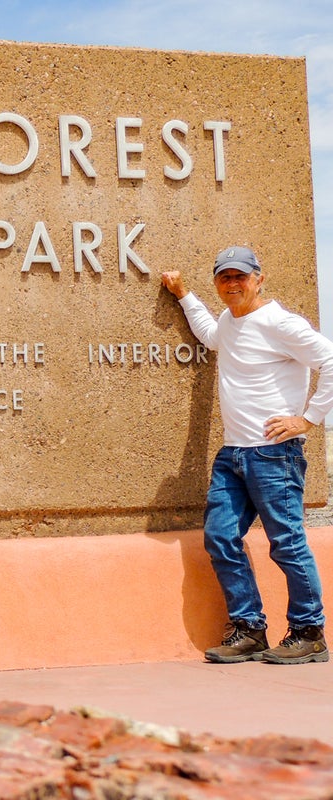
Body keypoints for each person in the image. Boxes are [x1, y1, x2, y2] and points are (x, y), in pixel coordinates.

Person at [162, 246, 332, 665]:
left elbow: (330, 359)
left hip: (274, 455)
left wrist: (307, 419)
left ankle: (310, 633)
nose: (233, 284)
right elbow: (210, 334)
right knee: (220, 537)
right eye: (225, 277)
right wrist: (184, 294)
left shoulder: (279, 323)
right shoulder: (229, 320)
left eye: (241, 276)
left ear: (259, 278)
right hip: (233, 454)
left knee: (287, 543)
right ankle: (249, 629)